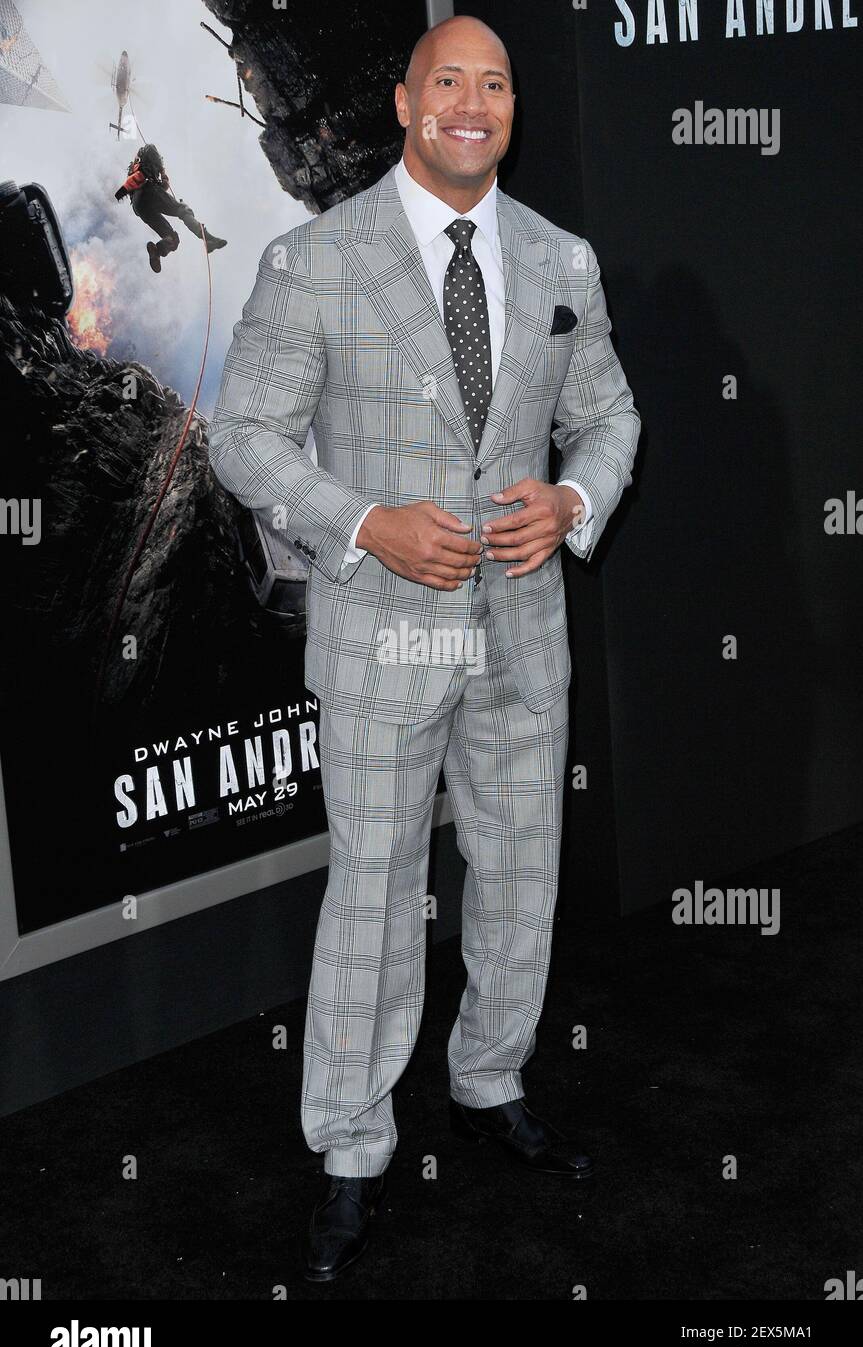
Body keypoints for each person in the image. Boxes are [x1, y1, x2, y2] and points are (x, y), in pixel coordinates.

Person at [209, 14, 640, 1283]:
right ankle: (348, 1146)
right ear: (405, 102)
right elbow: (244, 439)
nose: (471, 102)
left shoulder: (561, 255)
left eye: (493, 83)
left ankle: (490, 1079)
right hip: (381, 638)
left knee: (518, 872)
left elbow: (608, 415)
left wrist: (568, 504)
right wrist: (363, 524)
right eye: (446, 80)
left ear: (509, 108)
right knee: (376, 895)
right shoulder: (315, 259)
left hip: (519, 628)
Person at [114, 143, 227, 273]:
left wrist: (163, 183)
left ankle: (158, 250)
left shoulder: (135, 171)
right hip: (148, 191)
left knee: (172, 238)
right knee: (183, 210)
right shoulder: (147, 154)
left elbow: (158, 189)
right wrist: (163, 173)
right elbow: (154, 160)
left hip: (139, 206)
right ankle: (207, 238)